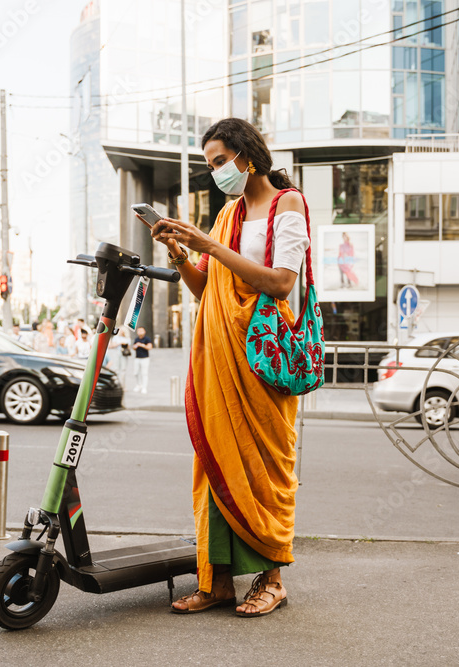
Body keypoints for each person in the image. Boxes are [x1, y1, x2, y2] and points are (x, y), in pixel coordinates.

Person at [146, 118, 310, 617]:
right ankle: (216, 581)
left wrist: (210, 246)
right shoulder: (226, 215)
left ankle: (272, 579)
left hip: (264, 358)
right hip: (220, 358)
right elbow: (209, 292)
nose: (216, 172)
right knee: (216, 462)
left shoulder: (288, 203)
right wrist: (180, 257)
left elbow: (281, 284)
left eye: (220, 161)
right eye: (210, 165)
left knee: (263, 470)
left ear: (247, 155)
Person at [132, 326, 152, 393]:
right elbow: (133, 347)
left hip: (145, 358)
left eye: (141, 330)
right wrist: (136, 346)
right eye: (139, 331)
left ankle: (144, 387)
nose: (140, 332)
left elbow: (149, 347)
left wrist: (141, 345)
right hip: (137, 358)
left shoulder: (147, 339)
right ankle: (138, 385)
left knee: (144, 373)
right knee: (136, 372)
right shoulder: (136, 339)